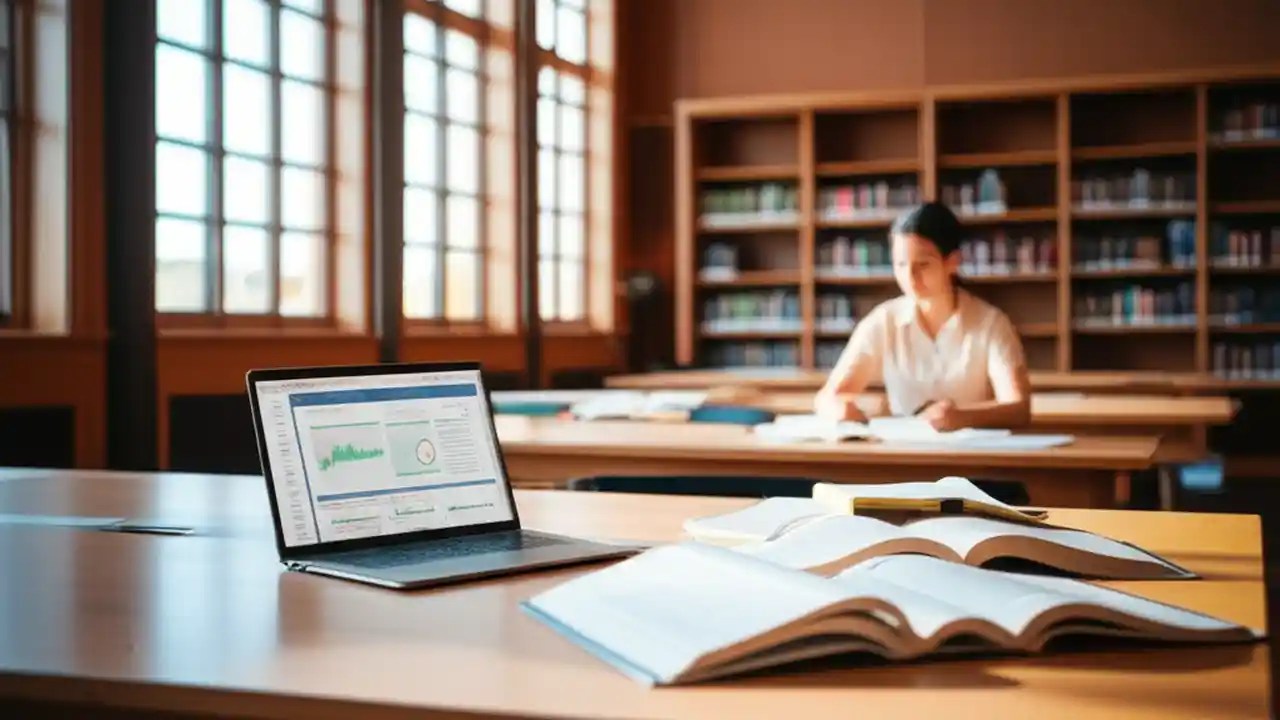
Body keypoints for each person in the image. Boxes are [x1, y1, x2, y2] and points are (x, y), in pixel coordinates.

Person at [815, 202, 1031, 430]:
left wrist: (962, 418)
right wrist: (839, 408)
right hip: (903, 448)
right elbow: (827, 397)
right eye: (900, 264)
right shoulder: (883, 321)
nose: (910, 277)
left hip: (971, 447)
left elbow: (1019, 409)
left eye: (923, 265)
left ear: (952, 262)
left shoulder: (991, 324)